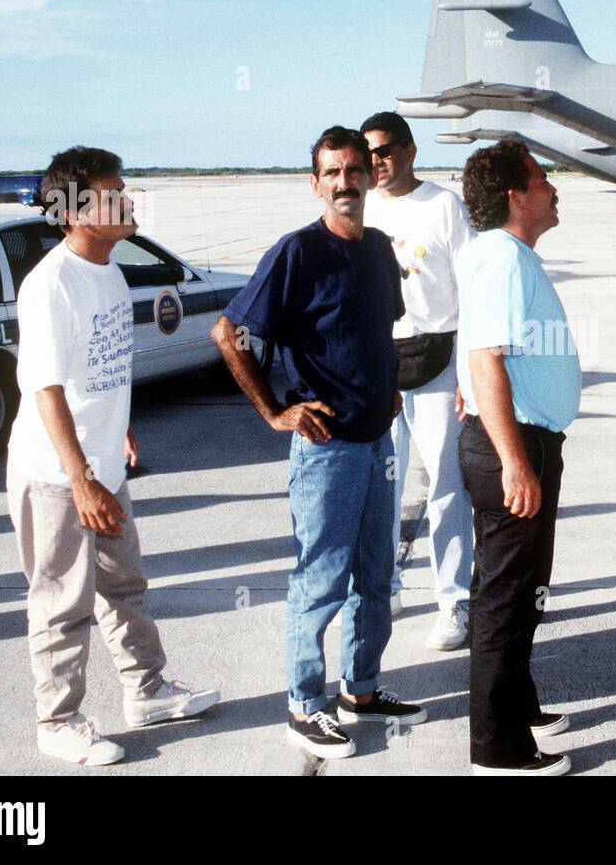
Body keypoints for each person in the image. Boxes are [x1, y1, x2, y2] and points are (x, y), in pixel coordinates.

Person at [210, 126, 425, 761]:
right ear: (316, 183)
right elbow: (229, 333)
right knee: (321, 578)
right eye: (331, 172)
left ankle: (361, 689)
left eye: (355, 170)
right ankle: (304, 705)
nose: (344, 182)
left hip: (377, 440)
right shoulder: (297, 252)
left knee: (376, 575)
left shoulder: (380, 247)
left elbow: (376, 330)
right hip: (326, 448)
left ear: (370, 177)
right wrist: (276, 410)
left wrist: (387, 390)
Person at [7, 146, 219, 766]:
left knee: (124, 585)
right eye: (112, 193)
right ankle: (58, 720)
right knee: (61, 600)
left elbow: (99, 372)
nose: (128, 203)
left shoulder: (110, 271)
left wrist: (119, 434)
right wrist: (80, 479)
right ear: (74, 210)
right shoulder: (50, 284)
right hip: (56, 475)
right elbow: (45, 389)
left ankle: (147, 690)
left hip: (100, 466)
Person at [457, 141, 581, 775]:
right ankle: (498, 752)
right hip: (516, 445)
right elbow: (486, 357)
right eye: (542, 178)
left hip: (517, 438)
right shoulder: (504, 258)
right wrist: (514, 460)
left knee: (519, 589)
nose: (553, 187)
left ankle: (519, 703)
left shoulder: (501, 255)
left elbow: (476, 349)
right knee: (506, 598)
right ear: (515, 194)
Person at [360, 111, 477, 651]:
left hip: (438, 357)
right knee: (383, 482)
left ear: (409, 150)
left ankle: (454, 601)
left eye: (383, 151)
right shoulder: (360, 204)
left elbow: (472, 288)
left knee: (446, 486)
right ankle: (385, 589)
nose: (375, 163)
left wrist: (469, 374)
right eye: (367, 154)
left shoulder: (444, 205)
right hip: (381, 359)